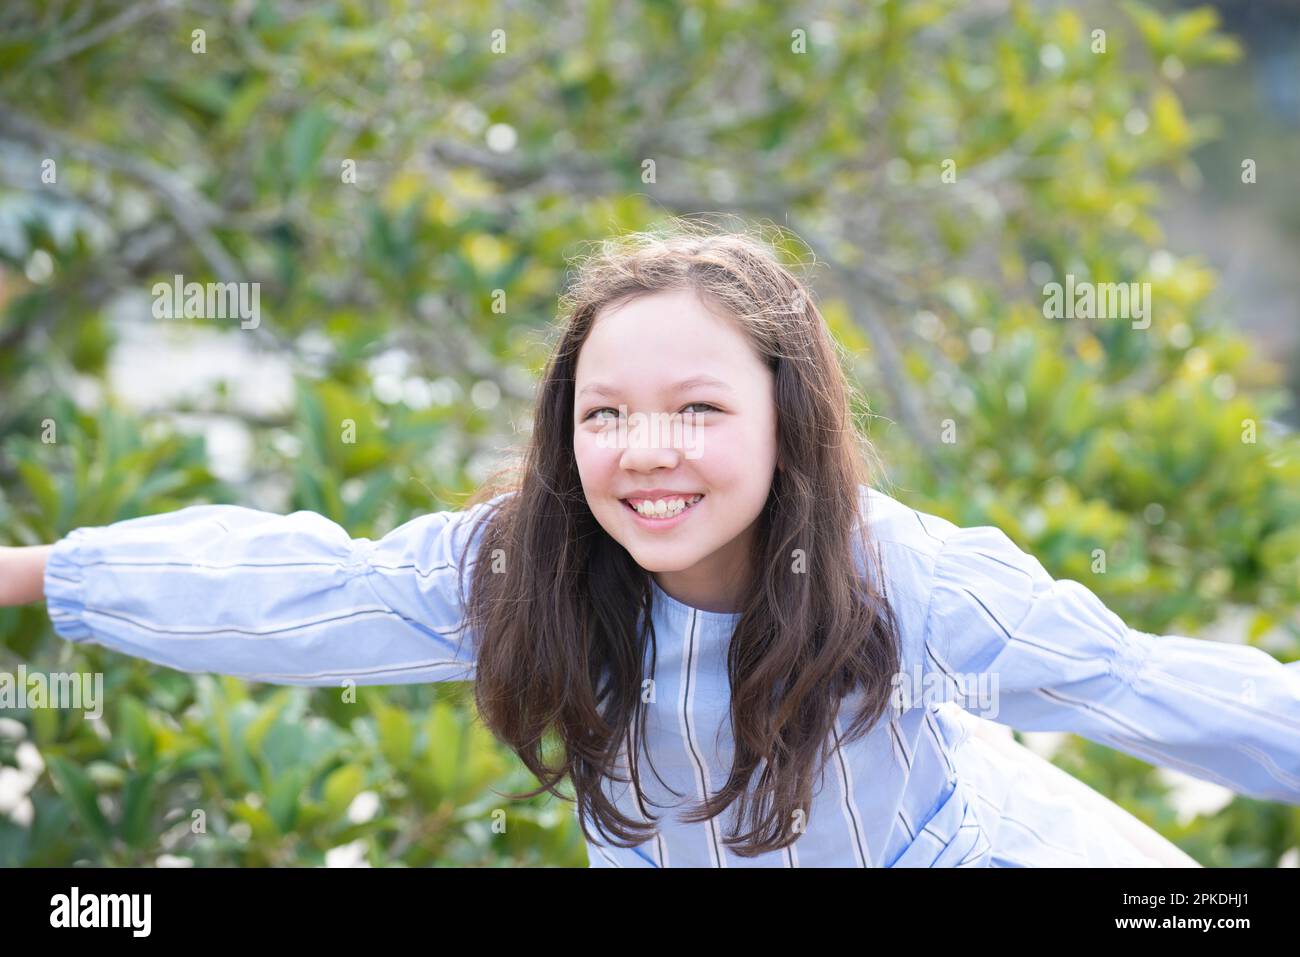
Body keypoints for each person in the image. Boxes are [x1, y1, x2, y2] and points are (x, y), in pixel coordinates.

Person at [2, 218, 1296, 867]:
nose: (645, 449)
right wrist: (41, 573)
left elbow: (1151, 686)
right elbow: (298, 592)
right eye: (605, 412)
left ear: (788, 421)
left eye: (697, 409)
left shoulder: (901, 582)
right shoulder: (528, 569)